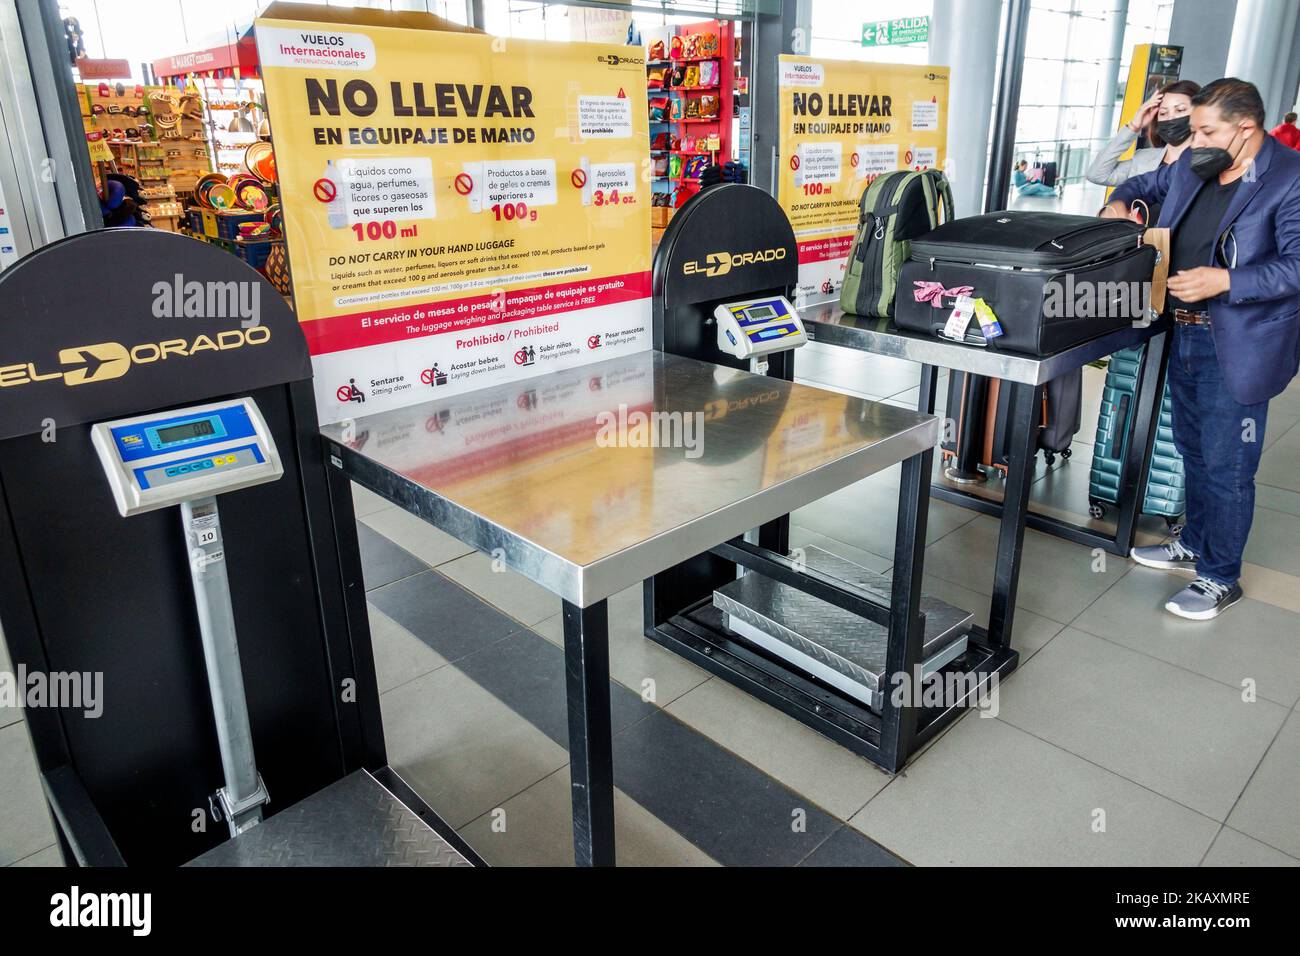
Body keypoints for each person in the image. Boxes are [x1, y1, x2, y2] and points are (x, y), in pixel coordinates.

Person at [1100, 78, 1300, 620]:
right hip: (1180, 328)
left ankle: (1219, 576)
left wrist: (1225, 282)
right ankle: (1194, 542)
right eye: (1194, 131)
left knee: (1227, 463)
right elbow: (1148, 182)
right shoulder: (1199, 162)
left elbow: (1297, 265)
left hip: (1236, 340)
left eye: (1207, 130)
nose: (1196, 140)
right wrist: (1122, 201)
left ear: (1247, 129)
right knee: (1192, 445)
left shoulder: (1288, 179)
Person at [1087, 80, 1200, 187]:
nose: (1170, 118)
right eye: (1163, 113)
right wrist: (1134, 126)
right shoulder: (1143, 159)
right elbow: (1096, 175)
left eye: (1180, 110)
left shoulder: (1207, 164)